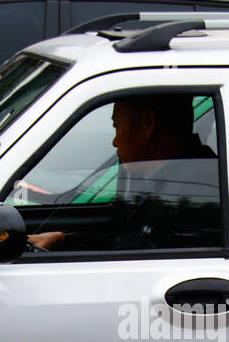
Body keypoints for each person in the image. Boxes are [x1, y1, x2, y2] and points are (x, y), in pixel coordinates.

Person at [29, 94, 218, 251]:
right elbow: (122, 241)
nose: (115, 141)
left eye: (116, 127)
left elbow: (135, 252)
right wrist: (62, 240)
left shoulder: (194, 193)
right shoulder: (164, 181)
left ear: (148, 123)